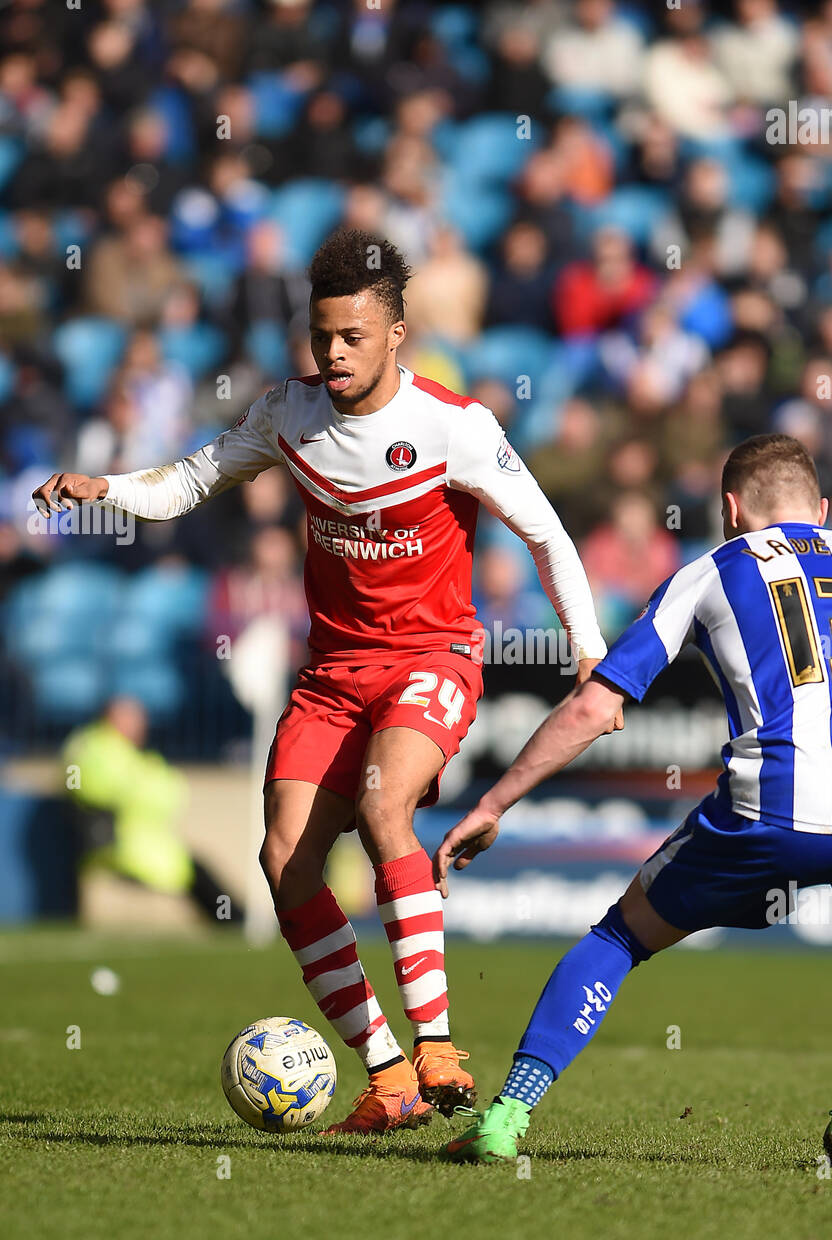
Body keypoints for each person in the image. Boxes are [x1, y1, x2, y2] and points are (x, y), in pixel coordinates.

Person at [33, 228, 611, 1135]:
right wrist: (103, 488)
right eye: (322, 336)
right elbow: (191, 481)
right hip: (334, 674)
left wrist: (586, 651)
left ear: (395, 335)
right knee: (284, 861)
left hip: (432, 659)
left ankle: (438, 1044)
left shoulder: (453, 427)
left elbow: (545, 533)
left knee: (385, 811)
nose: (333, 354)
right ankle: (387, 1078)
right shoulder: (286, 414)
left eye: (352, 337)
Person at [434, 433, 832, 1166]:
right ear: (823, 509)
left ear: (730, 508)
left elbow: (596, 709)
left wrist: (493, 803)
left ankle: (506, 1118)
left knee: (620, 938)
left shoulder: (713, 569)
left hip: (770, 811)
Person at [62, 696, 244, 926]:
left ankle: (234, 918)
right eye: (134, 718)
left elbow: (165, 787)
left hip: (146, 841)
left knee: (198, 868)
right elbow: (100, 786)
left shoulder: (124, 752)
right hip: (123, 844)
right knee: (196, 871)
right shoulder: (95, 747)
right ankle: (235, 919)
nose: (141, 724)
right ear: (113, 718)